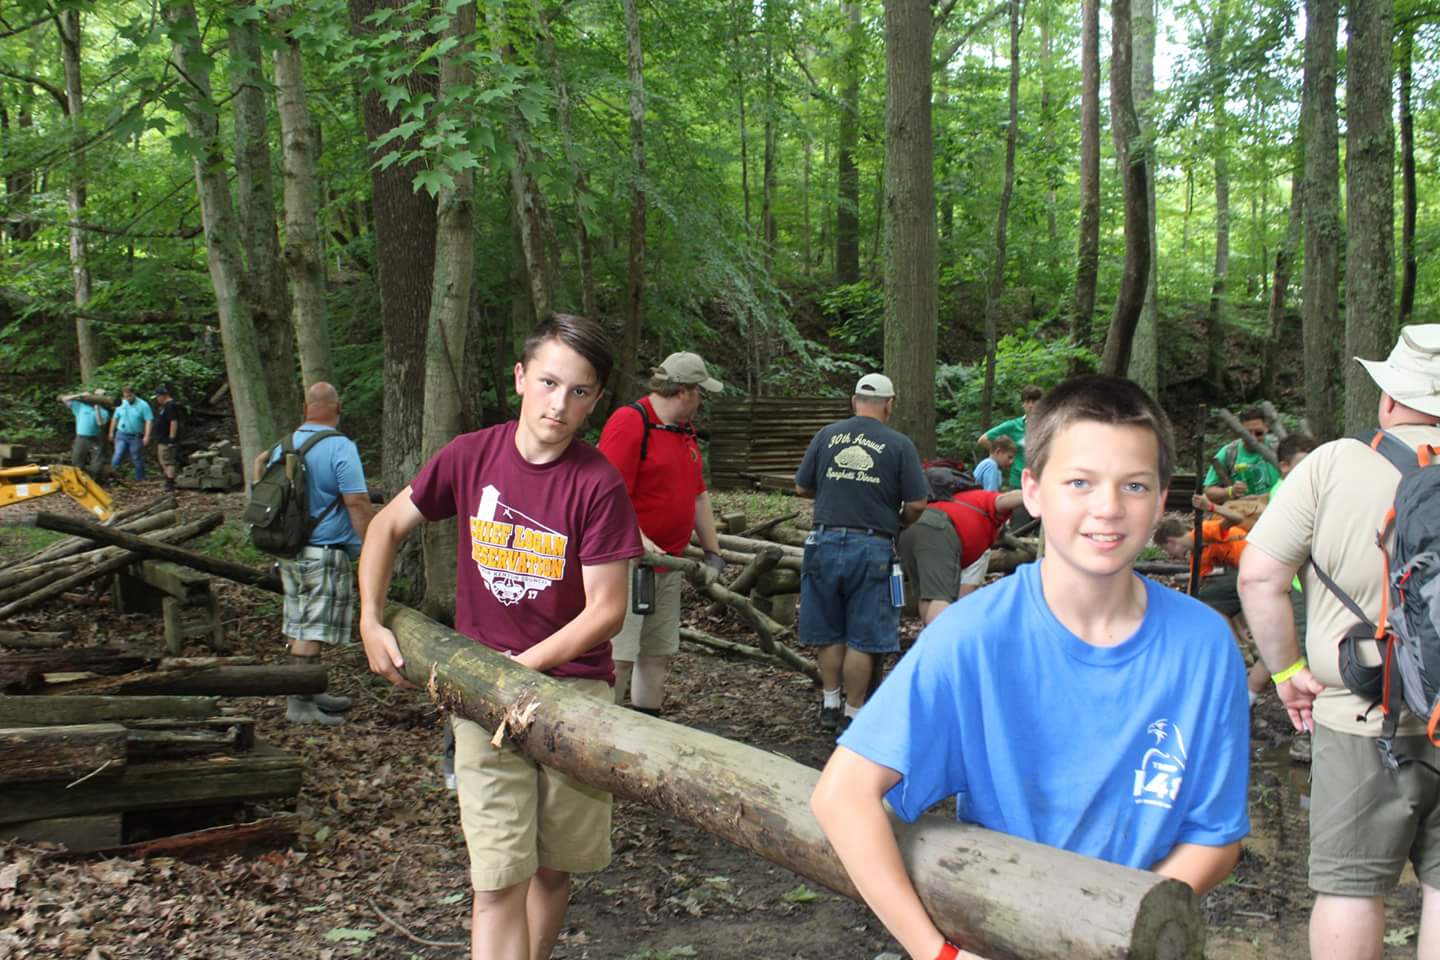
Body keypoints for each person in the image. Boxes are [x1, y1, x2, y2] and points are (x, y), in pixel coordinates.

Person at [812, 375, 1249, 960]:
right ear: (1034, 492)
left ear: (1162, 498)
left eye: (1135, 485)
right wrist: (933, 952)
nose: (1108, 508)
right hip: (998, 932)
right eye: (1080, 482)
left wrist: (1121, 917)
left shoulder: (1205, 646)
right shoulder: (974, 635)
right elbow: (842, 794)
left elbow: (1216, 835)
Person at [358, 315, 641, 960]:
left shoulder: (597, 483)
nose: (559, 404)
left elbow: (606, 612)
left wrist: (526, 668)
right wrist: (370, 619)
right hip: (480, 697)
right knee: (497, 879)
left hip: (575, 697)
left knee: (552, 868)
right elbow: (385, 526)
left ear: (596, 401)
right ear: (520, 378)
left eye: (579, 392)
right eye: (547, 382)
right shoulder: (470, 456)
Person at [1238, 325, 1440, 960]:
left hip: (1360, 707)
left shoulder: (1331, 463)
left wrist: (1288, 669)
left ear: (1387, 398)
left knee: (1352, 890)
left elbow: (1259, 575)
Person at [795, 373, 927, 734]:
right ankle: (855, 713)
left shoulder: (826, 435)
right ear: (889, 404)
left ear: (854, 401)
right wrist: (898, 518)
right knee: (863, 636)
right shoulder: (899, 445)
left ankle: (830, 701)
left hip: (822, 540)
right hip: (872, 546)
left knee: (828, 629)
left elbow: (801, 486)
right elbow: (918, 502)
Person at [598, 351, 726, 717]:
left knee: (656, 653)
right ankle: (600, 733)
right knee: (619, 655)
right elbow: (608, 492)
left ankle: (645, 731)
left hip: (668, 562)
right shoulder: (630, 422)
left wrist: (712, 551)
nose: (701, 401)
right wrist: (636, 538)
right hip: (625, 564)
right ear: (685, 392)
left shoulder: (683, 433)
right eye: (700, 393)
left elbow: (697, 494)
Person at [253, 382, 374, 727]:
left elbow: (259, 472)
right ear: (337, 409)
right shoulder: (340, 447)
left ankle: (311, 689)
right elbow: (357, 502)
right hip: (322, 551)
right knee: (311, 630)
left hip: (289, 549)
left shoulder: (284, 445)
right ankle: (299, 704)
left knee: (298, 624)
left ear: (306, 409)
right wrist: (373, 547)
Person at [897, 470, 1023, 625]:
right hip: (937, 531)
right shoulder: (982, 497)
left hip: (910, 529)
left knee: (928, 595)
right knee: (941, 597)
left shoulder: (948, 501)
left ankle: (928, 642)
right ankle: (941, 646)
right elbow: (1004, 499)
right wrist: (1038, 494)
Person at [1201, 407, 1281, 504]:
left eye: (1258, 433)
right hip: (1243, 512)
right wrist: (1230, 491)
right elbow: (1208, 491)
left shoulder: (1279, 449)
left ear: (1266, 428)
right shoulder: (1229, 452)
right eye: (1247, 433)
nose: (1253, 438)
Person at [976, 384, 1042, 490]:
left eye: (1034, 401)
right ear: (1023, 404)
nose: (1030, 405)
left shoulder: (1049, 426)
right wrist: (1003, 457)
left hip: (1041, 483)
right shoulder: (1013, 425)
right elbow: (983, 439)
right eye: (1027, 401)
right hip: (1018, 482)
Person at [58, 389, 110, 478]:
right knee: (77, 459)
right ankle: (79, 478)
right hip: (81, 437)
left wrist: (97, 408)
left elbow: (100, 423)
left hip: (96, 437)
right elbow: (64, 399)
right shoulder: (81, 407)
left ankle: (93, 479)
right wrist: (79, 395)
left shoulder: (104, 412)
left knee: (97, 460)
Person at [108, 386, 153, 483]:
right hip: (121, 434)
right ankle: (111, 477)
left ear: (134, 394)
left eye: (129, 396)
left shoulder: (143, 405)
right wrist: (111, 432)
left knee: (136, 456)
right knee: (118, 454)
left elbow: (148, 421)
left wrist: (147, 436)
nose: (127, 398)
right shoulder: (122, 404)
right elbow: (115, 418)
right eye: (125, 396)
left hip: (135, 436)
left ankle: (140, 478)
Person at [152, 384, 181, 491]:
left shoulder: (170, 406)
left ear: (162, 395)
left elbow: (173, 421)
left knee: (168, 461)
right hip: (162, 439)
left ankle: (170, 483)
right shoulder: (165, 406)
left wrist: (171, 438)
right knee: (163, 461)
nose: (157, 400)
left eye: (157, 397)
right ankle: (169, 480)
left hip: (167, 439)